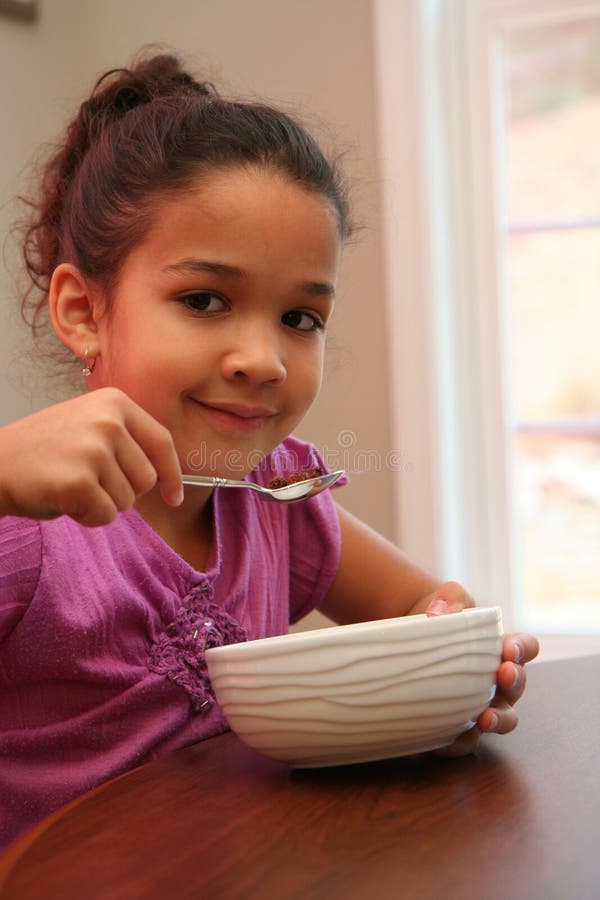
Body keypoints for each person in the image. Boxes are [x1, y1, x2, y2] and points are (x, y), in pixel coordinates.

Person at [0, 51, 538, 852]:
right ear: (84, 311)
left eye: (300, 318)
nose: (264, 358)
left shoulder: (280, 497)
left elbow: (428, 606)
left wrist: (454, 667)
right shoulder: (27, 525)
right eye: (205, 300)